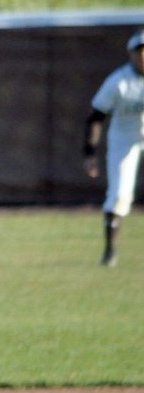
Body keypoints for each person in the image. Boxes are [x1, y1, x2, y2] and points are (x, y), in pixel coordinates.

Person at [83, 29, 144, 268]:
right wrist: (89, 153)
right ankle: (110, 251)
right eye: (140, 52)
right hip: (125, 138)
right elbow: (96, 116)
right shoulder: (119, 82)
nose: (143, 57)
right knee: (119, 195)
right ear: (131, 54)